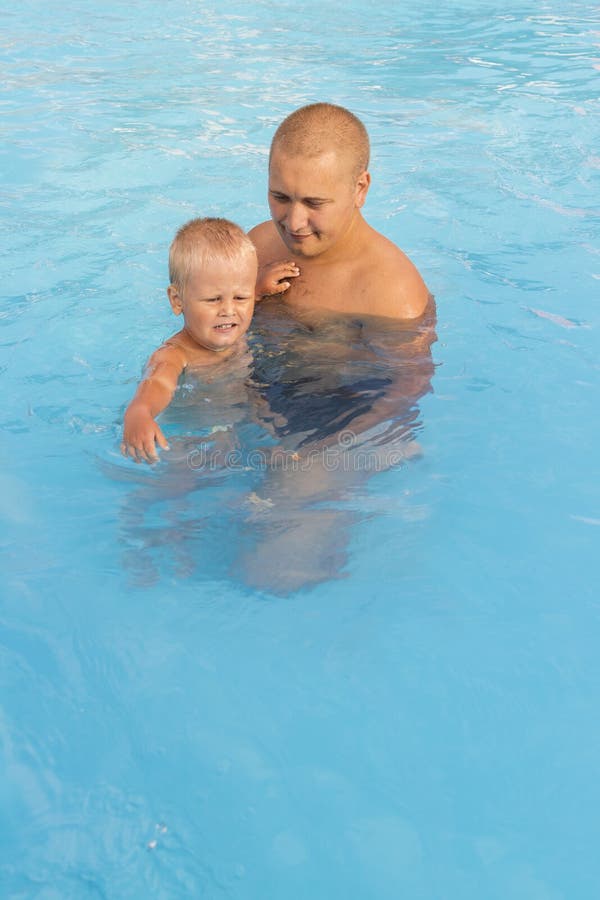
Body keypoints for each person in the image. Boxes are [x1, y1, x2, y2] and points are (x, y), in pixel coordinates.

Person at [250, 102, 430, 320]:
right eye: (281, 197)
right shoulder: (257, 248)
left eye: (314, 203)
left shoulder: (391, 299)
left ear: (360, 189)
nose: (294, 223)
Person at [121, 217, 257, 464]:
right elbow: (158, 382)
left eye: (241, 297)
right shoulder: (175, 354)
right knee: (178, 481)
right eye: (213, 299)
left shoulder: (239, 331)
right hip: (193, 438)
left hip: (238, 424)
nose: (228, 310)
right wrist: (140, 411)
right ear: (177, 300)